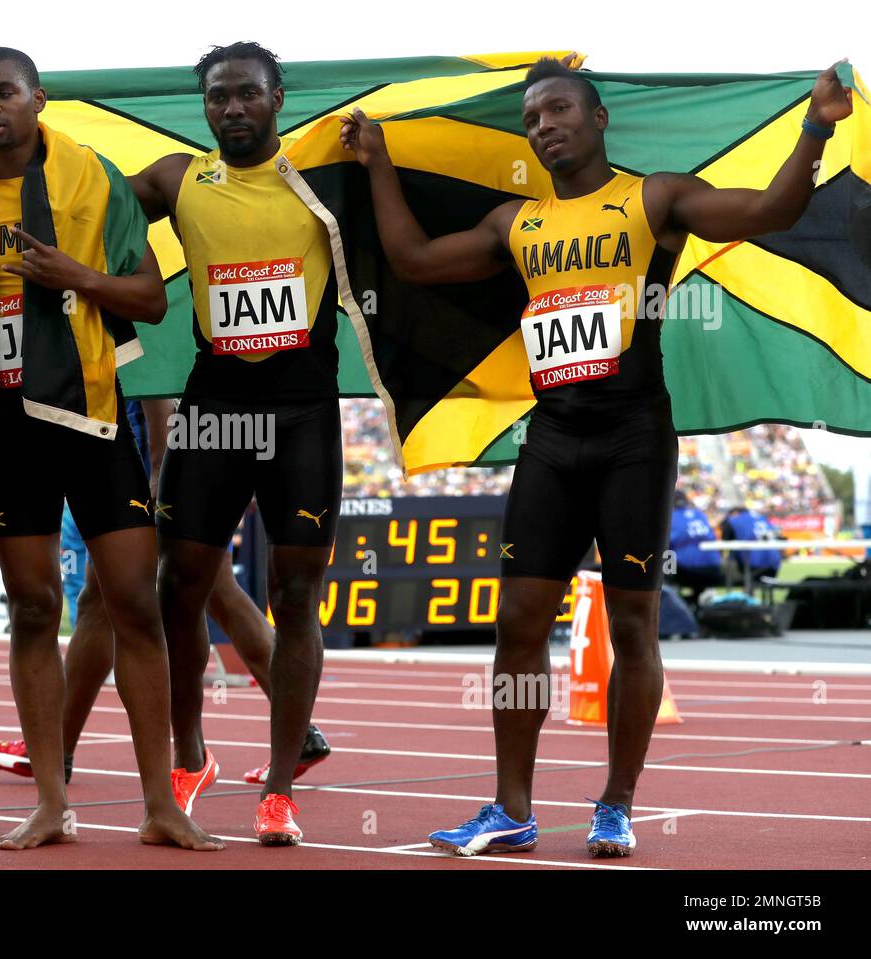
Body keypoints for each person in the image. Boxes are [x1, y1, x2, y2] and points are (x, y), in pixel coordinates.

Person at [341, 57, 851, 857]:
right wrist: (375, 165)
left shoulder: (656, 198)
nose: (544, 124)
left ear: (599, 117)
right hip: (552, 438)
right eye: (532, 117)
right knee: (515, 622)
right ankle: (511, 805)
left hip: (632, 438)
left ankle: (616, 801)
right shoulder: (517, 224)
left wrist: (816, 127)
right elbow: (413, 260)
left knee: (634, 624)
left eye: (558, 110)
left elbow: (770, 210)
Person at [0, 47, 220, 851]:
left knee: (134, 602)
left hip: (92, 417)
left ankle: (162, 804)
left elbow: (153, 298)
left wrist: (75, 275)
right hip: (7, 427)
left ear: (37, 99)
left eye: (4, 93)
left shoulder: (93, 180)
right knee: (33, 607)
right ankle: (52, 803)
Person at [127, 42, 343, 845]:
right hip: (216, 405)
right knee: (177, 584)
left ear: (277, 98)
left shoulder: (323, 183)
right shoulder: (179, 180)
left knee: (295, 595)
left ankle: (279, 789)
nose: (232, 109)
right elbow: (87, 201)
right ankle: (189, 757)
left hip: (302, 413)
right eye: (218, 98)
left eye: (247, 95)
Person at [0, 397, 331, 798]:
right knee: (195, 588)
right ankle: (301, 733)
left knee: (131, 594)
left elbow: (151, 371)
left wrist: (162, 457)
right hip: (173, 433)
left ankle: (56, 751)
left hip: (152, 439)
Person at [668, 492, 724, 606]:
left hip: (688, 571)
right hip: (714, 570)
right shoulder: (700, 515)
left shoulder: (670, 517)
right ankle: (695, 602)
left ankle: (670, 605)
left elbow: (665, 545)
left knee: (661, 561)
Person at [720, 505, 784, 587]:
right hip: (774, 565)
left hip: (751, 565)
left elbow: (724, 543)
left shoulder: (734, 521)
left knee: (722, 565)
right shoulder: (762, 518)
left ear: (735, 513)